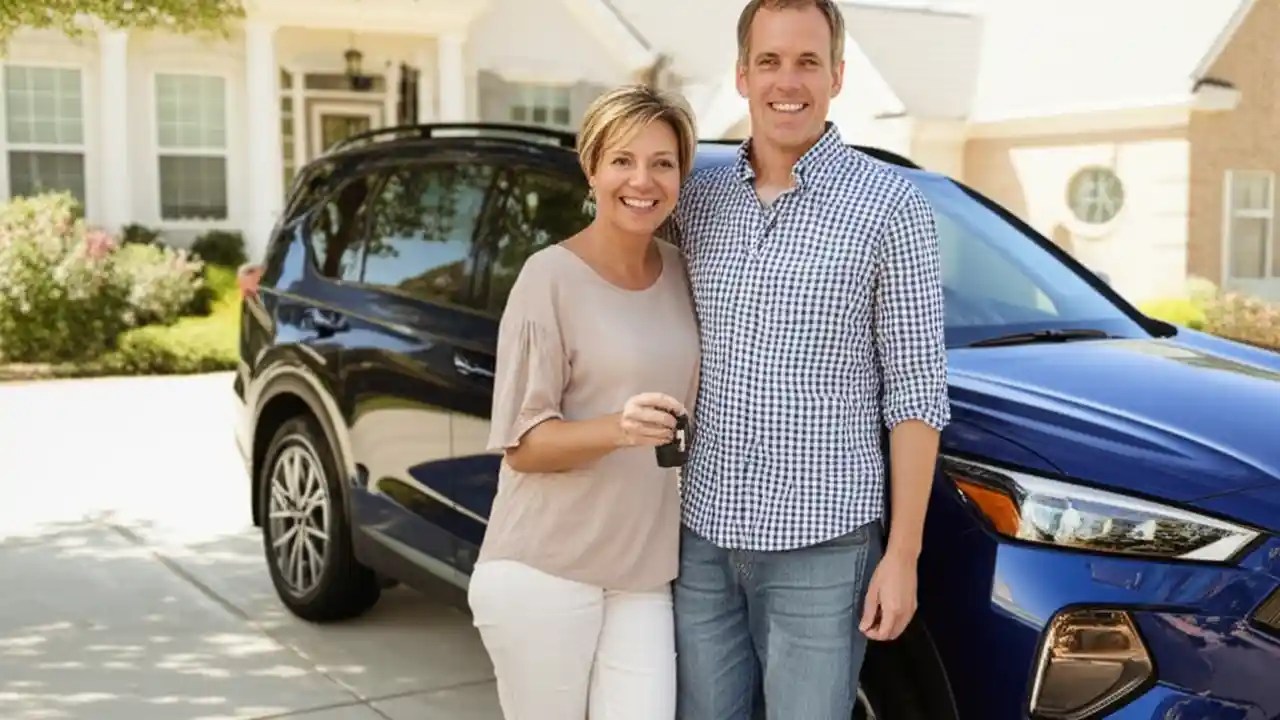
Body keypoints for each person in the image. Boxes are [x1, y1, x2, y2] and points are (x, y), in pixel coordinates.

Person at [662, 1, 950, 718]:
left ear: (838, 76)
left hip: (822, 552)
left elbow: (916, 393)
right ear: (741, 75)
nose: (786, 81)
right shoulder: (695, 199)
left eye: (807, 62)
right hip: (700, 535)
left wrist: (903, 556)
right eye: (769, 61)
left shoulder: (891, 207)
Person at [467, 85, 701, 719]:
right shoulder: (550, 277)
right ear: (591, 167)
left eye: (662, 162)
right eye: (622, 160)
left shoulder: (685, 271)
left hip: (642, 576)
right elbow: (523, 447)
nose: (642, 180)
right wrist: (618, 429)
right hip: (545, 571)